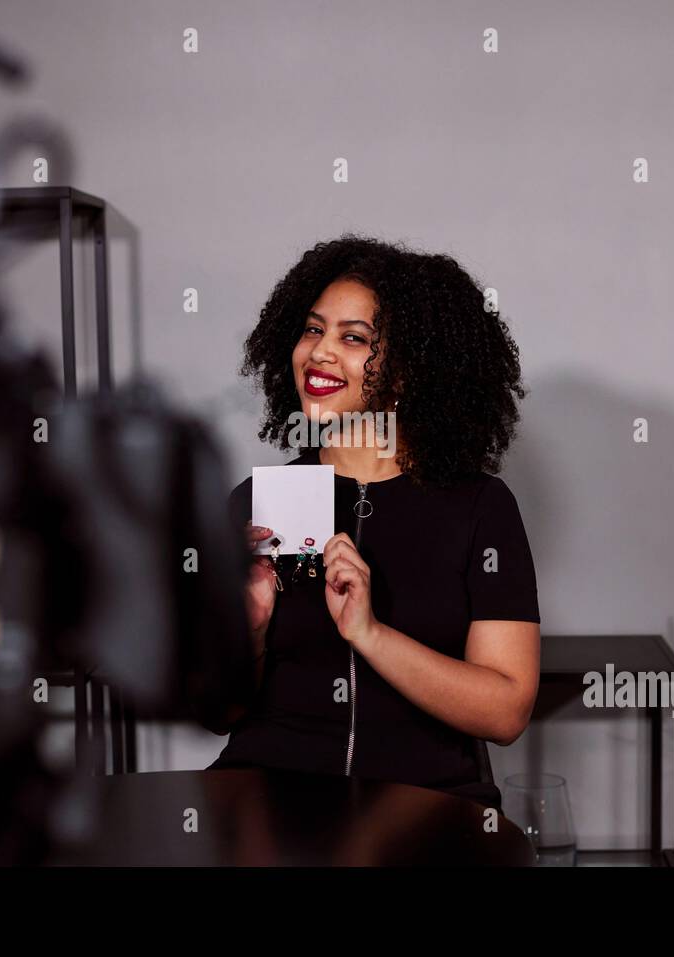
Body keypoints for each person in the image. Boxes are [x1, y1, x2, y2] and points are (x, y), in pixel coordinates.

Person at [207, 235, 541, 812]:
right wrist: (251, 631)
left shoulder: (480, 506)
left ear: (412, 371)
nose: (319, 353)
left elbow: (505, 711)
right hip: (269, 799)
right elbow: (219, 715)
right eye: (313, 330)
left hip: (425, 806)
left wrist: (370, 633)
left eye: (353, 338)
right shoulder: (260, 501)